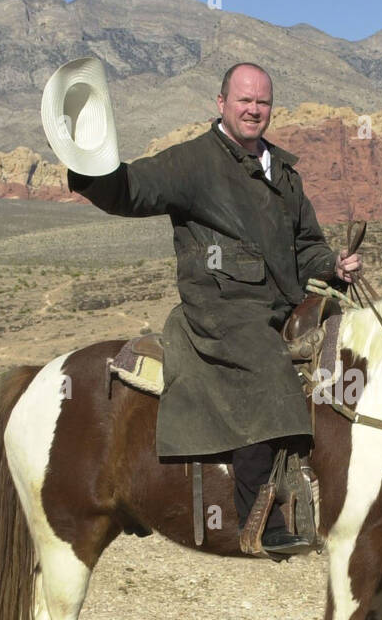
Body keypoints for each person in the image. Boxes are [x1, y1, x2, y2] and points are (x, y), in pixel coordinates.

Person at [66, 62, 359, 554]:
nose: (253, 109)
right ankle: (258, 518)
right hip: (221, 306)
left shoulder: (284, 174)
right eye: (244, 100)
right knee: (264, 367)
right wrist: (88, 166)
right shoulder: (193, 163)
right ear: (220, 103)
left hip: (281, 302)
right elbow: (131, 191)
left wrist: (333, 263)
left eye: (262, 102)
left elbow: (305, 246)